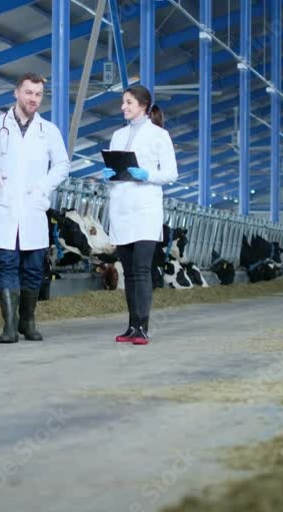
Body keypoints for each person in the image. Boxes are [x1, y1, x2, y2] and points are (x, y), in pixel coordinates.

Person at [0, 73, 70, 344]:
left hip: (34, 207)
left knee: (34, 267)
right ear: (16, 93)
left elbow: (62, 165)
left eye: (38, 94)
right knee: (8, 264)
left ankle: (28, 321)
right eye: (29, 93)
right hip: (5, 206)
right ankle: (9, 325)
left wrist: (44, 186)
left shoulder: (49, 130)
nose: (33, 99)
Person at [101, 85, 178, 345]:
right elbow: (116, 170)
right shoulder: (117, 135)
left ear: (143, 106)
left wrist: (148, 175)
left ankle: (143, 328)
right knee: (129, 272)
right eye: (123, 102)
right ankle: (132, 325)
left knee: (142, 269)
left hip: (145, 209)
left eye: (129, 102)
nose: (123, 107)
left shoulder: (159, 135)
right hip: (121, 209)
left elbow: (171, 173)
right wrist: (108, 176)